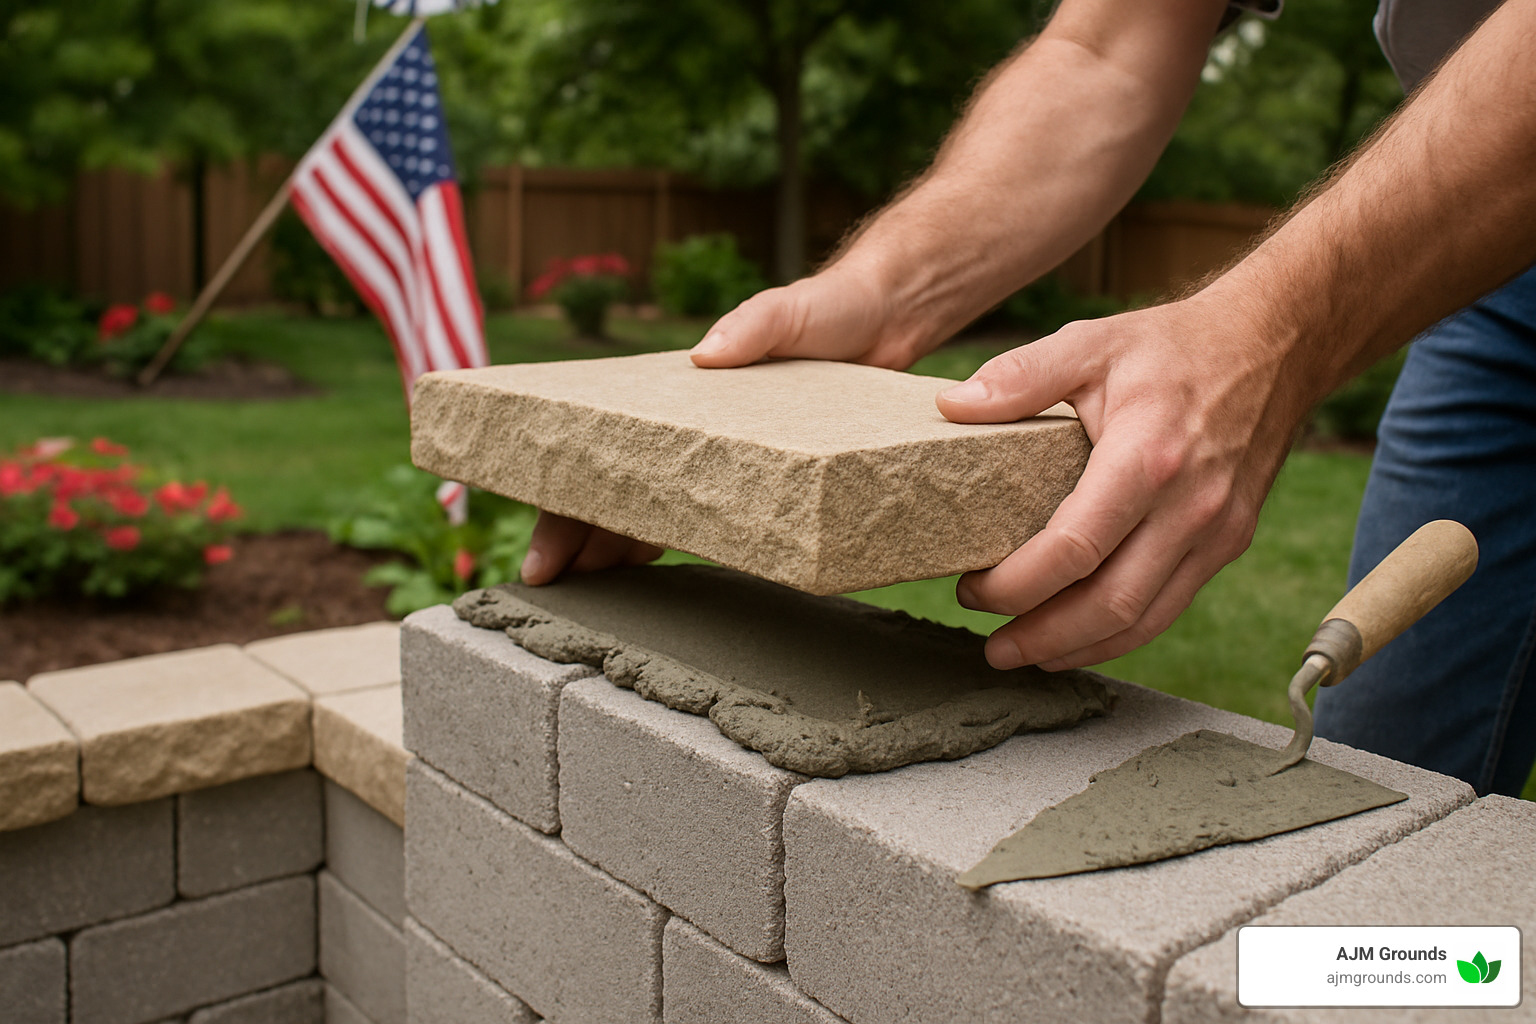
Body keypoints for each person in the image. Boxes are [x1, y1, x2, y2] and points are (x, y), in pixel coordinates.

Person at [519, 0, 1536, 796]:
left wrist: (1267, 336)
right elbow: (1108, 46)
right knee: (1380, 792)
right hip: (1501, 276)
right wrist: (884, 287)